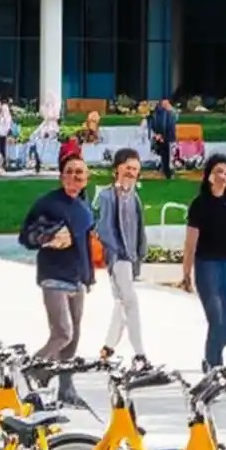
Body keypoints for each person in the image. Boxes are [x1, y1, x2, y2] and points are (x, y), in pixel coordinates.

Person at [19, 153, 95, 405]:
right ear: (61, 176)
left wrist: (88, 277)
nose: (74, 176)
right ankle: (32, 370)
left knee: (73, 338)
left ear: (87, 178)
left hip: (77, 278)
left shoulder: (84, 207)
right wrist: (48, 238)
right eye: (69, 171)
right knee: (63, 332)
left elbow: (85, 244)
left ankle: (66, 389)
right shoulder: (48, 204)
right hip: (53, 275)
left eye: (79, 172)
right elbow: (26, 236)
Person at [180, 154, 226, 372]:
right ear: (209, 175)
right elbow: (190, 243)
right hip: (207, 266)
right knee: (216, 318)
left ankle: (211, 356)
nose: (224, 177)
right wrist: (186, 273)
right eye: (219, 172)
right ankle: (214, 365)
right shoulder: (199, 205)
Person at [95, 148, 148, 361]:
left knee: (122, 302)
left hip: (131, 258)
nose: (131, 172)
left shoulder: (135, 198)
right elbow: (104, 227)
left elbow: (140, 229)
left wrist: (140, 254)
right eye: (128, 167)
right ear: (117, 169)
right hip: (117, 257)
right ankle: (140, 353)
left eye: (135, 169)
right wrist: (116, 251)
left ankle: (108, 347)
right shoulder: (106, 196)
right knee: (131, 302)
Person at [150, 98, 178, 179]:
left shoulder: (169, 113)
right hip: (165, 138)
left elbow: (170, 125)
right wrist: (159, 135)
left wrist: (159, 136)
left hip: (167, 138)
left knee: (168, 155)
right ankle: (167, 172)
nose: (167, 105)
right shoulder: (162, 114)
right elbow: (159, 125)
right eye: (166, 104)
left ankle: (168, 172)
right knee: (166, 156)